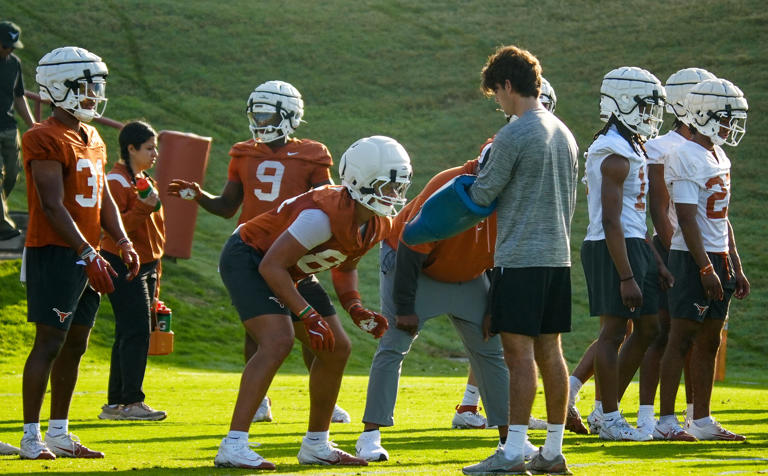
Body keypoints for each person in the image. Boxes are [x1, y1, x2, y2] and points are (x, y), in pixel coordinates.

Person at [212, 135, 412, 470]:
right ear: (359, 182)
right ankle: (233, 444)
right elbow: (270, 266)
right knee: (278, 341)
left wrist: (355, 307)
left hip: (292, 270)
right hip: (249, 256)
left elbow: (345, 267)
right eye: (386, 186)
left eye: (397, 187)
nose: (394, 195)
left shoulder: (377, 222)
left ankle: (316, 444)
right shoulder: (321, 215)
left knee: (337, 348)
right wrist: (307, 314)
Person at [167, 80, 350, 423]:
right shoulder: (242, 152)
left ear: (290, 115)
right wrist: (199, 196)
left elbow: (328, 204)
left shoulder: (313, 154)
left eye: (268, 114)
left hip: (293, 255)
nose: (261, 121)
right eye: (257, 113)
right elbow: (226, 206)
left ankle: (322, 392)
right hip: (251, 252)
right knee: (257, 333)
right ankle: (260, 401)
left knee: (316, 333)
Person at [355, 151, 527, 463]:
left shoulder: (517, 196)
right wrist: (405, 305)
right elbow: (411, 243)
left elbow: (506, 259)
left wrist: (493, 308)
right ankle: (370, 435)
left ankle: (510, 440)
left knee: (491, 349)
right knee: (394, 344)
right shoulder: (451, 185)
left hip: (468, 274)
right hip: (416, 267)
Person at [461, 45, 578, 475]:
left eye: (497, 93)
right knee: (552, 351)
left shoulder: (512, 134)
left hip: (520, 257)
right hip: (557, 258)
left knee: (518, 354)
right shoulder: (564, 131)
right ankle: (552, 450)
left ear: (508, 86)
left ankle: (512, 451)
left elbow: (481, 195)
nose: (498, 101)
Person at [19, 46, 139, 460]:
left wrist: (121, 240)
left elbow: (103, 195)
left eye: (97, 87)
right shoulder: (42, 136)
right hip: (56, 251)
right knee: (49, 341)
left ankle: (59, 432)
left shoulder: (93, 135)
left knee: (76, 344)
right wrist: (87, 253)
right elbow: (52, 204)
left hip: (88, 253)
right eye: (87, 87)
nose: (93, 95)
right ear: (58, 87)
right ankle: (31, 435)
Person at [451, 77, 556, 433]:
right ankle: (515, 425)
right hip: (514, 251)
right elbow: (484, 195)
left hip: (512, 250)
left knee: (514, 340)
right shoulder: (536, 139)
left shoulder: (521, 138)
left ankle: (488, 412)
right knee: (518, 342)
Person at [655, 78, 750, 442]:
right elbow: (687, 217)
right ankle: (665, 420)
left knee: (711, 340)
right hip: (691, 256)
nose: (732, 125)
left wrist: (735, 265)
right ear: (705, 115)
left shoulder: (718, 154)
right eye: (727, 117)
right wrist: (705, 267)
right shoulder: (683, 154)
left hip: (718, 255)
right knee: (680, 338)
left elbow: (722, 217)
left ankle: (701, 419)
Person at [579, 66, 669, 442]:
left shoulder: (632, 144)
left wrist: (656, 261)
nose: (651, 115)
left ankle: (604, 408)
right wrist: (627, 275)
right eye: (645, 106)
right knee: (613, 331)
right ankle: (609, 415)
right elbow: (613, 220)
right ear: (622, 103)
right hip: (610, 245)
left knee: (649, 328)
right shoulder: (612, 150)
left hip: (634, 243)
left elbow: (632, 217)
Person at [635, 67, 716, 436]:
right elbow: (662, 210)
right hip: (674, 251)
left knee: (695, 336)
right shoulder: (661, 147)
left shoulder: (709, 150)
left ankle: (691, 415)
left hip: (693, 250)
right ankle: (650, 416)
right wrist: (676, 256)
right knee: (664, 334)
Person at [96, 121, 167, 421]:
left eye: (155, 148)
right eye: (149, 148)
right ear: (131, 149)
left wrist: (157, 278)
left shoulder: (142, 178)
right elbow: (114, 229)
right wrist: (143, 208)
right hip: (123, 261)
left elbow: (154, 233)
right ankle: (133, 403)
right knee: (137, 331)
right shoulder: (116, 180)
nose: (155, 154)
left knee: (128, 331)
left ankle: (115, 404)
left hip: (147, 263)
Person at [0, 20, 34, 240]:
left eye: (12, 46)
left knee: (12, 175)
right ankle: (3, 225)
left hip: (9, 128)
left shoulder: (14, 63)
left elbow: (19, 95)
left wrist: (33, 125)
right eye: (5, 45)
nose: (8, 50)